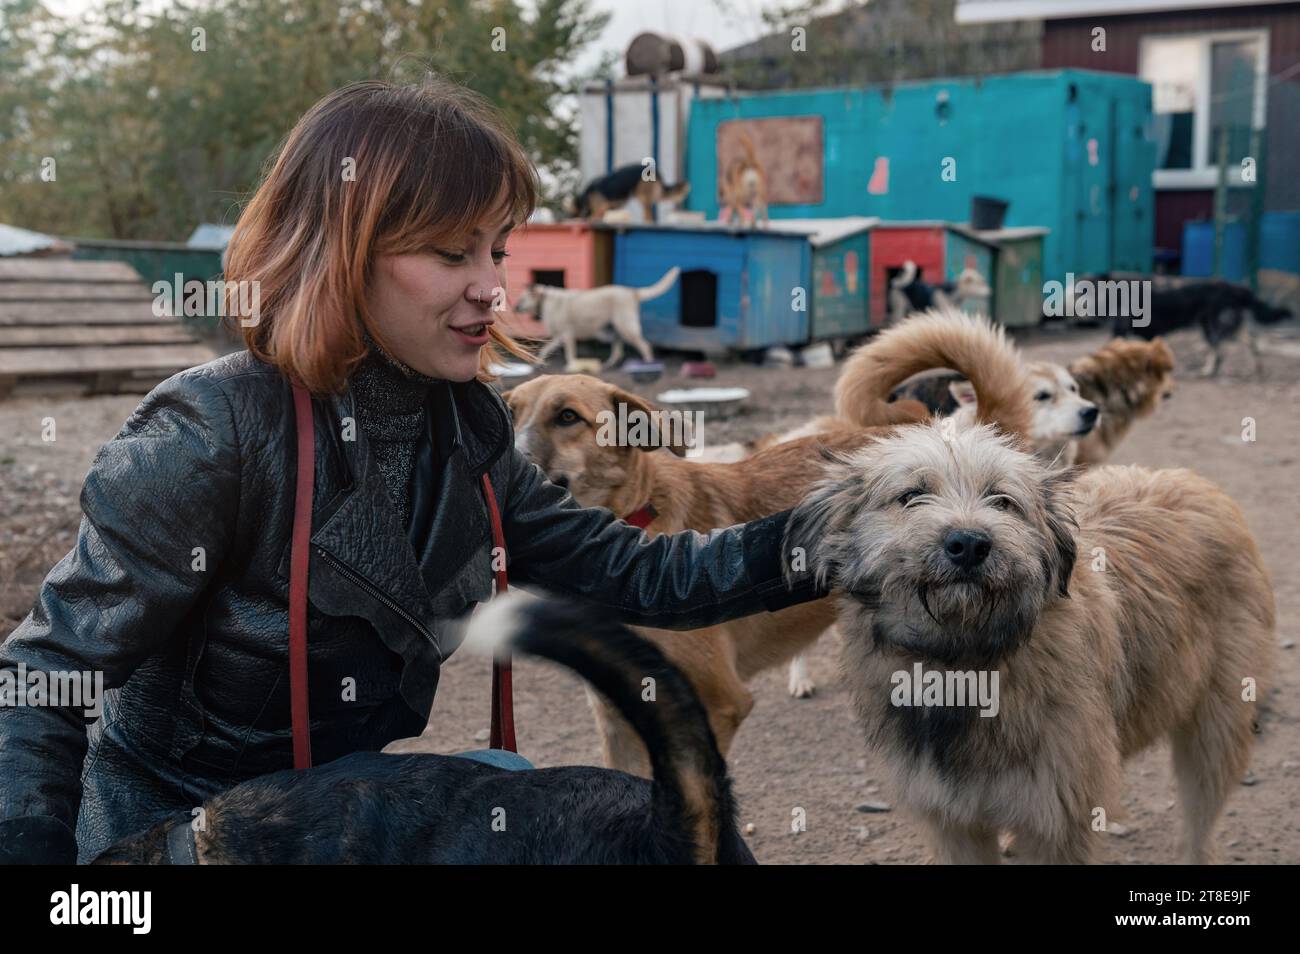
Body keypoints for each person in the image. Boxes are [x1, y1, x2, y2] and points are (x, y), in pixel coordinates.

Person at [0, 76, 823, 865]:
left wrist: (844, 532)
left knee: (524, 793)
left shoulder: (471, 432)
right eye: (450, 253)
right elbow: (44, 672)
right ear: (338, 251)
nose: (492, 289)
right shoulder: (208, 432)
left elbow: (639, 574)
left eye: (497, 252)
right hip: (186, 837)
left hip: (348, 819)